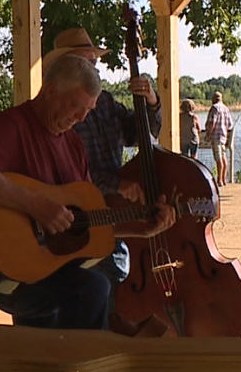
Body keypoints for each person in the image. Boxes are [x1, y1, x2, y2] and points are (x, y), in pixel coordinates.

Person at [0, 53, 175, 330]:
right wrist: (36, 205)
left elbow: (87, 223)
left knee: (41, 351)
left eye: (88, 111)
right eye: (75, 107)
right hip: (8, 274)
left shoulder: (74, 146)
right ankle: (83, 366)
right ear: (51, 91)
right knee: (94, 287)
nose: (80, 118)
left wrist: (143, 229)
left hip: (46, 265)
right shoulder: (14, 125)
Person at [44, 28, 163, 290]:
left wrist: (150, 101)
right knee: (106, 280)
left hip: (114, 209)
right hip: (82, 218)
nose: (94, 70)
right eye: (86, 63)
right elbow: (67, 176)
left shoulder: (106, 101)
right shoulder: (57, 112)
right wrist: (116, 185)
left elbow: (140, 135)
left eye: (94, 63)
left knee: (115, 276)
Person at [206, 91, 234, 185]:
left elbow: (212, 122)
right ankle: (224, 179)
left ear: (214, 99)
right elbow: (230, 125)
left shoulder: (214, 108)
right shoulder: (226, 109)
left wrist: (208, 134)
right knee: (223, 157)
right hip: (223, 136)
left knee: (218, 159)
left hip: (216, 136)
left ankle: (219, 180)